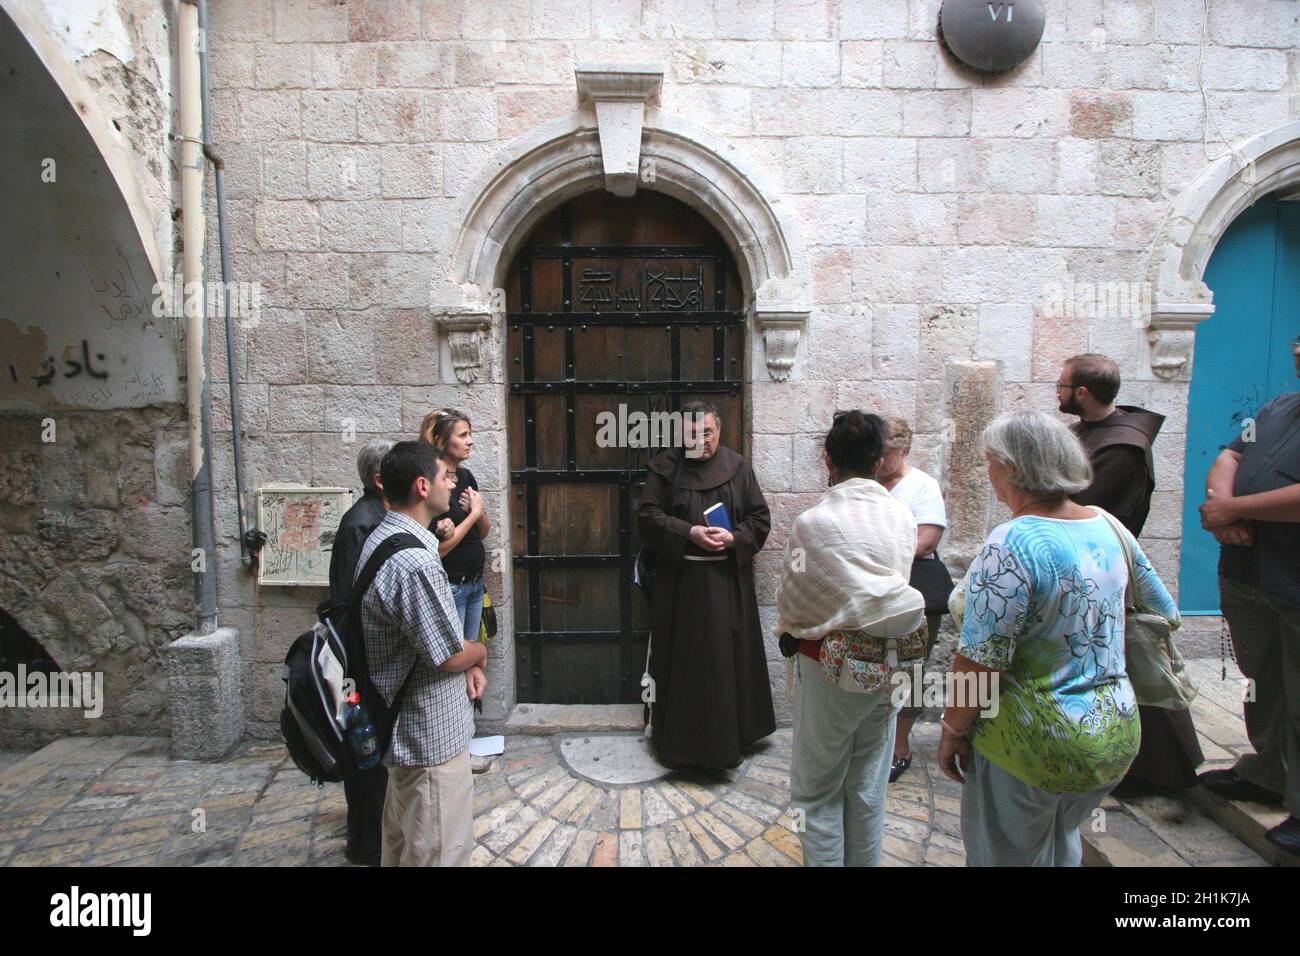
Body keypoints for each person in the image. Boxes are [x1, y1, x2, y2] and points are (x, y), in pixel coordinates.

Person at [940, 410, 1181, 867]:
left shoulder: (1012, 542)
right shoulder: (1109, 527)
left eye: (990, 461)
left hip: (1033, 740)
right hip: (1113, 732)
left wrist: (953, 728)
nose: (987, 472)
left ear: (1012, 467)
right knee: (1060, 843)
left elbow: (980, 659)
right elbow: (1163, 612)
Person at [778, 410, 927, 866]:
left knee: (817, 793)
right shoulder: (901, 517)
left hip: (828, 668)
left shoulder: (814, 523)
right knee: (867, 787)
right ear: (880, 460)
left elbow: (796, 602)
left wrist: (791, 627)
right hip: (887, 665)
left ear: (827, 456)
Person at [1057, 353, 1203, 792]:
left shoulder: (1122, 445)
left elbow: (1083, 503)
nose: (1058, 392)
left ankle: (1160, 768)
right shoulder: (1092, 432)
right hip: (1087, 566)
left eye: (1062, 386)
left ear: (1083, 392)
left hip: (1106, 570)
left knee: (1132, 662)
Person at [356, 441, 487, 866]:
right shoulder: (415, 561)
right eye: (443, 476)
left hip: (407, 728)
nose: (452, 481)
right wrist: (480, 652)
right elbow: (447, 655)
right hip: (429, 734)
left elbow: (429, 642)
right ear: (421, 486)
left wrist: (463, 661)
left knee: (404, 843)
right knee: (437, 848)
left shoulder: (385, 537)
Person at [1197, 336, 1300, 856]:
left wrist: (1239, 511)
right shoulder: (1279, 406)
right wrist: (1222, 504)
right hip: (1251, 573)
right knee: (1265, 680)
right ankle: (1266, 771)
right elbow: (1229, 454)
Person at [636, 399, 775, 769]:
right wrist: (688, 532)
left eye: (707, 432)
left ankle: (732, 740)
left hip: (726, 584)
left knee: (726, 663)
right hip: (679, 585)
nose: (701, 440)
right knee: (682, 664)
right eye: (692, 433)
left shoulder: (738, 468)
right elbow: (648, 518)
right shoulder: (665, 468)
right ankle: (678, 745)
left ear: (720, 431)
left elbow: (760, 519)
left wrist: (734, 539)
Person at [325, 439, 392, 867]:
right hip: (361, 662)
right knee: (365, 753)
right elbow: (351, 599)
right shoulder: (360, 524)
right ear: (380, 479)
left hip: (369, 660)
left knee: (374, 752)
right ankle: (365, 845)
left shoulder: (377, 517)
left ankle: (375, 837)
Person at [875, 417, 952, 783]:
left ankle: (900, 745)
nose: (881, 461)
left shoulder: (921, 486)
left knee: (910, 668)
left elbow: (926, 541)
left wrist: (874, 547)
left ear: (904, 451)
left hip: (913, 587)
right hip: (874, 588)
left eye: (887, 454)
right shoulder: (866, 482)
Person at [420, 409, 489, 647]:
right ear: (440, 440)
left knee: (469, 655)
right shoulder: (431, 484)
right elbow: (436, 551)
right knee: (455, 655)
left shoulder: (466, 476)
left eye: (470, 434)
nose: (470, 441)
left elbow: (483, 531)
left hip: (474, 584)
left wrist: (477, 513)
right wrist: (474, 515)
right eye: (463, 435)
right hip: (452, 585)